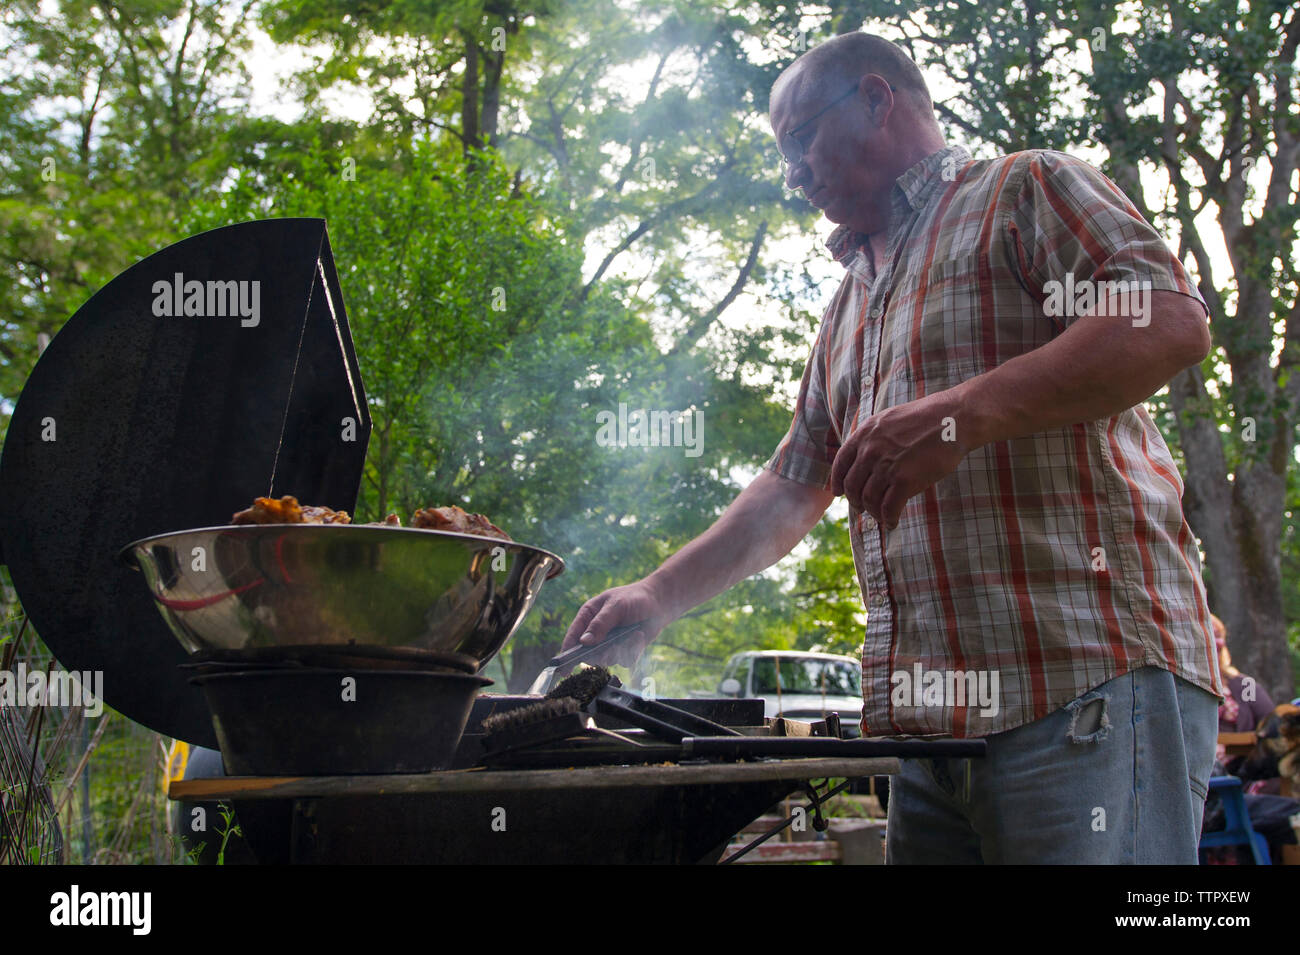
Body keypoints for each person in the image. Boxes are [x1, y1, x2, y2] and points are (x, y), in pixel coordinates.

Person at [563, 32, 1224, 863]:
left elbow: (1166, 319)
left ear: (877, 100)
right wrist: (657, 595)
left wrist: (958, 414)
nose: (793, 171)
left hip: (1083, 687)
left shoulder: (1023, 188)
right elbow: (793, 485)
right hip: (932, 732)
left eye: (801, 136)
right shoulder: (848, 308)